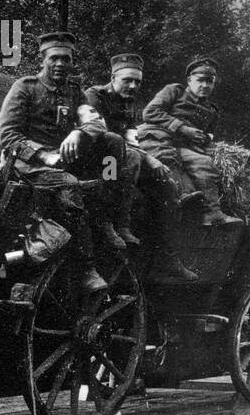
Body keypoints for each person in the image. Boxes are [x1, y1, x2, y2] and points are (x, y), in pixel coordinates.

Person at [0, 32, 130, 293]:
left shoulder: (74, 92)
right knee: (69, 184)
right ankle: (86, 267)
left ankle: (105, 215)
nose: (60, 64)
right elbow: (7, 134)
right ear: (43, 59)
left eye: (66, 59)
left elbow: (96, 122)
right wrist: (42, 155)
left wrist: (79, 132)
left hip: (61, 162)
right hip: (28, 167)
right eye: (55, 58)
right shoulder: (26, 87)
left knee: (113, 143)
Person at [85, 53, 198, 281]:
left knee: (165, 182)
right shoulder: (94, 96)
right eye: (128, 80)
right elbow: (99, 135)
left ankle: (169, 257)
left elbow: (131, 138)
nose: (133, 86)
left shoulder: (129, 102)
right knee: (127, 160)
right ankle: (115, 223)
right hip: (96, 158)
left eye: (137, 81)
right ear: (113, 77)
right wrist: (141, 156)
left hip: (125, 156)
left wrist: (151, 159)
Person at [136, 56, 242, 226]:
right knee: (167, 156)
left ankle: (213, 214)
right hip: (157, 139)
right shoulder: (175, 91)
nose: (205, 86)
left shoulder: (212, 110)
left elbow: (209, 135)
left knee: (204, 164)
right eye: (200, 81)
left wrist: (204, 138)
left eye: (210, 82)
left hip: (185, 147)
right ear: (189, 80)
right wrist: (182, 128)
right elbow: (150, 112)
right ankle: (183, 194)